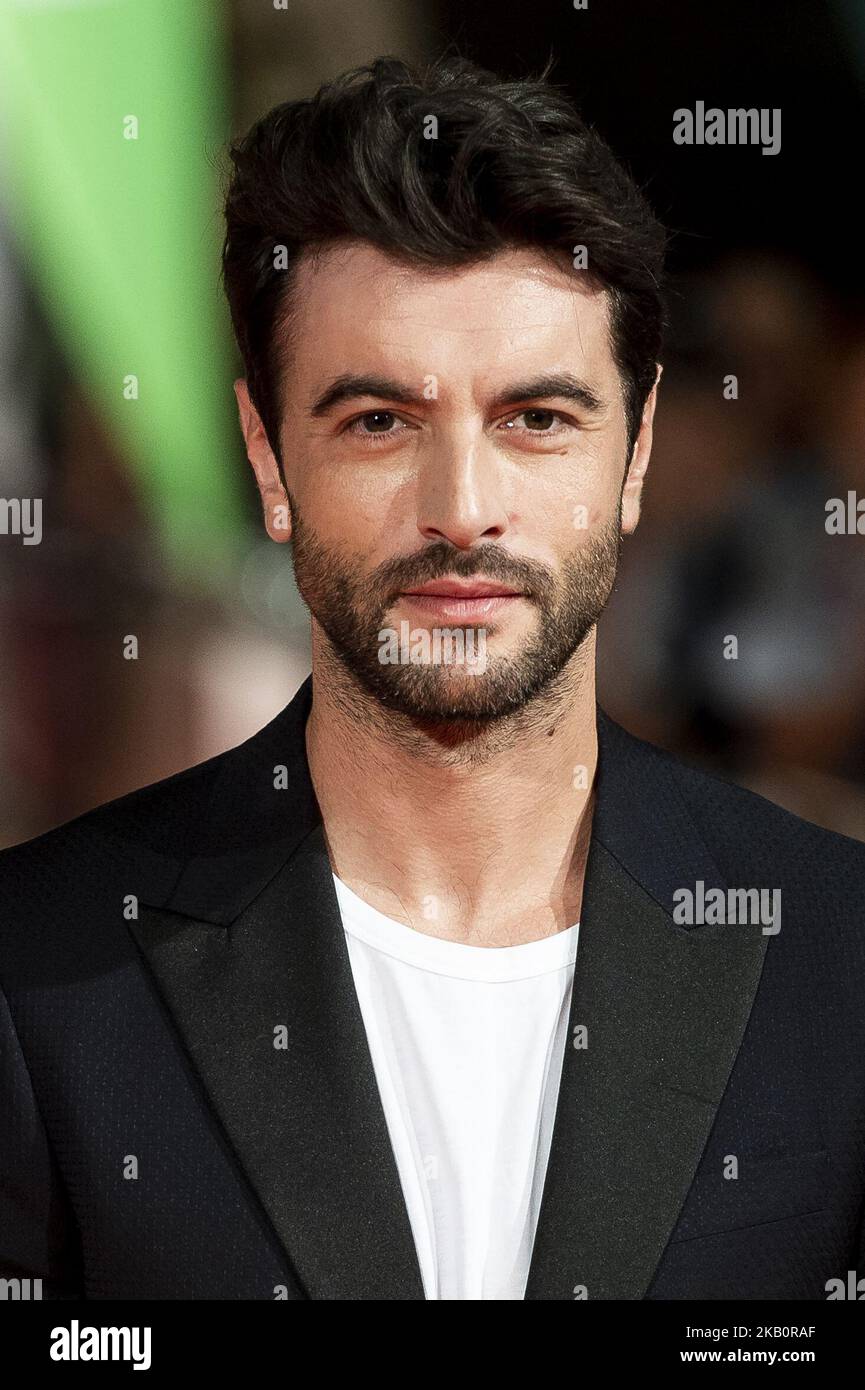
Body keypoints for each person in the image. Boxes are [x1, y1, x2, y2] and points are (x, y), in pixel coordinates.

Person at [0, 55, 862, 1302]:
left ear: (637, 455)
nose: (462, 511)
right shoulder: (37, 972)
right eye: (378, 422)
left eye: (537, 420)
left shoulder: (835, 952)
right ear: (269, 458)